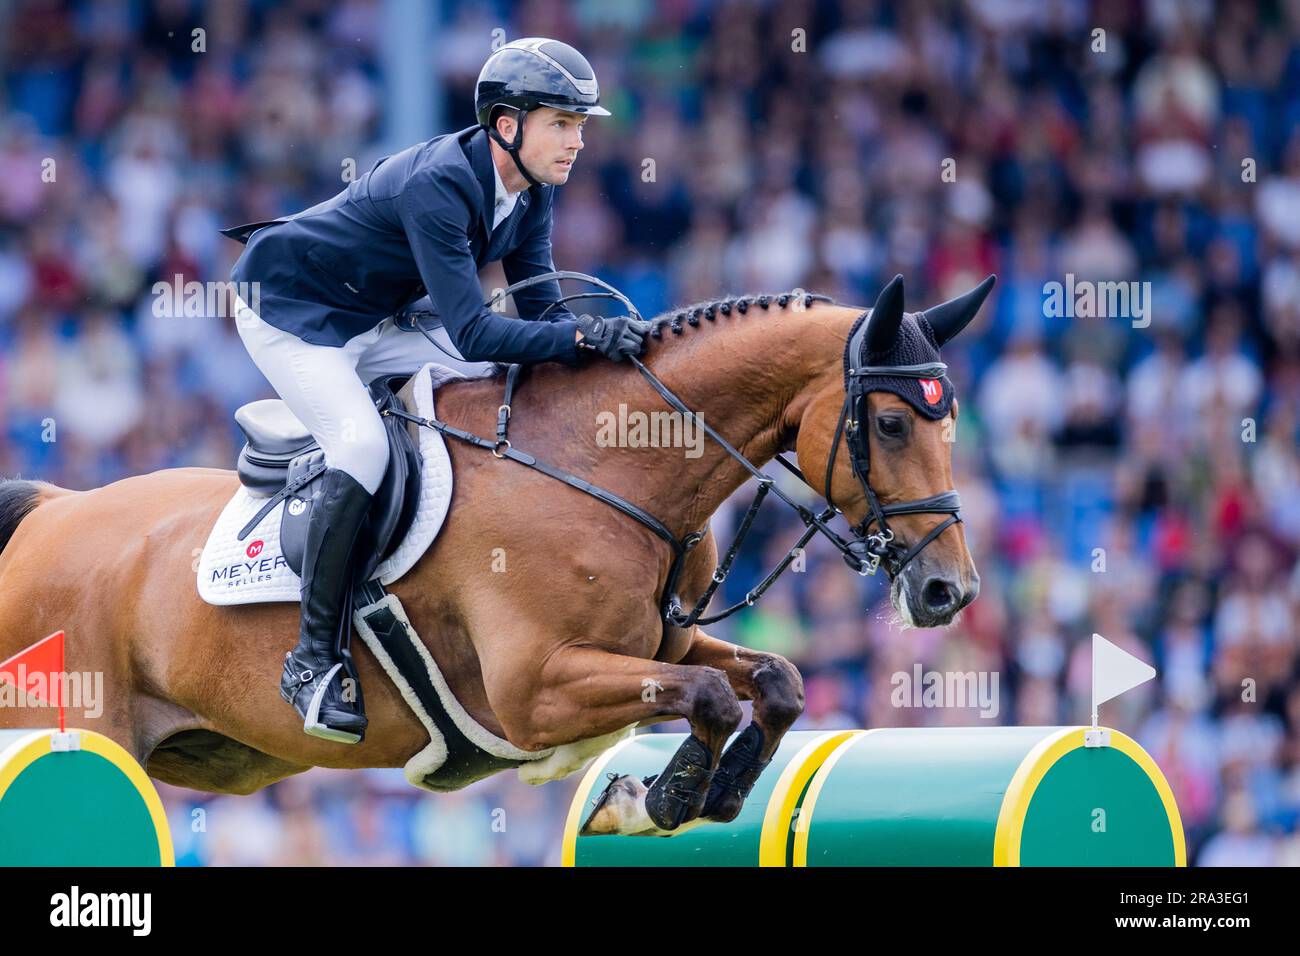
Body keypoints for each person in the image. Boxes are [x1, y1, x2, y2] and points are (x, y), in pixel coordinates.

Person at [223, 37, 651, 744]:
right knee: (360, 447)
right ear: (507, 125)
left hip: (375, 315)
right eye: (563, 123)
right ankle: (313, 661)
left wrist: (605, 350)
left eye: (580, 125)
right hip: (293, 313)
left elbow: (541, 315)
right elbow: (481, 332)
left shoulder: (529, 189)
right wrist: (581, 340)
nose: (578, 141)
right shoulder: (438, 185)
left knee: (500, 382)